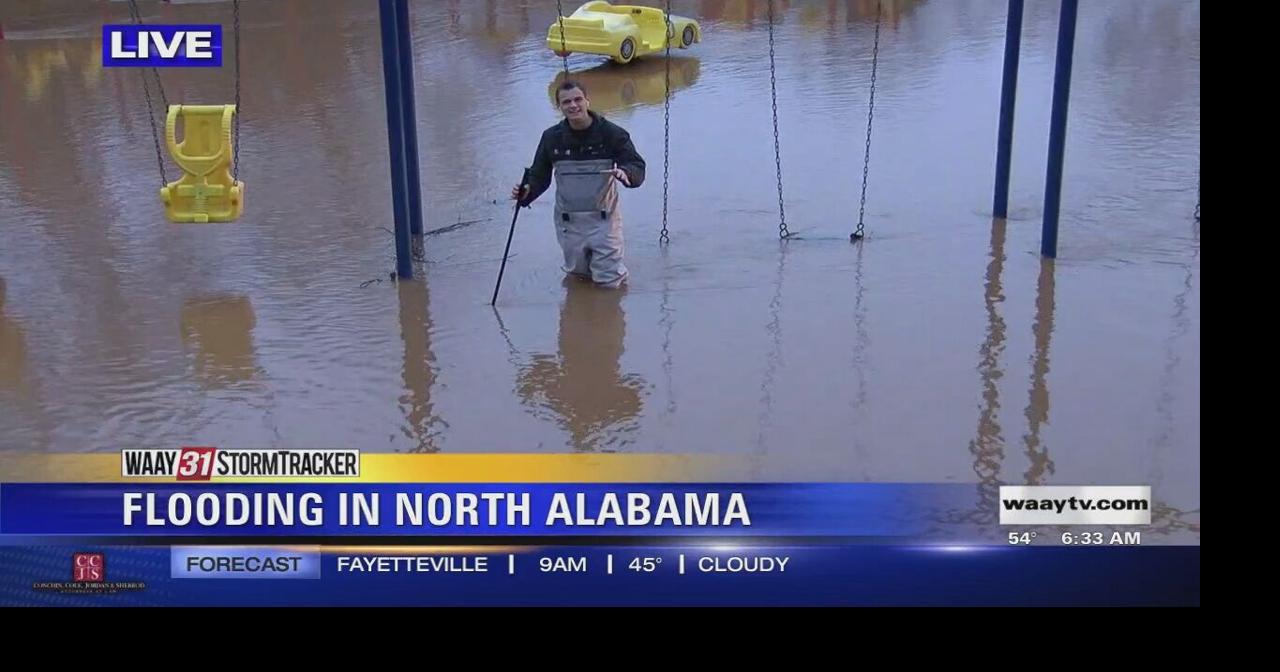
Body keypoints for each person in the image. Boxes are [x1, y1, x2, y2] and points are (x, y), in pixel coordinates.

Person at [511, 80, 645, 289]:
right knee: (578, 278)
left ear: (587, 101)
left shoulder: (612, 134)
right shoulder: (551, 138)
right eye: (566, 102)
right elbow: (539, 176)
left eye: (577, 99)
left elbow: (636, 165)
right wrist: (526, 192)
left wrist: (626, 174)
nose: (573, 105)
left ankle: (610, 308)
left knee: (610, 282)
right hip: (568, 222)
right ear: (559, 107)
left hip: (605, 220)